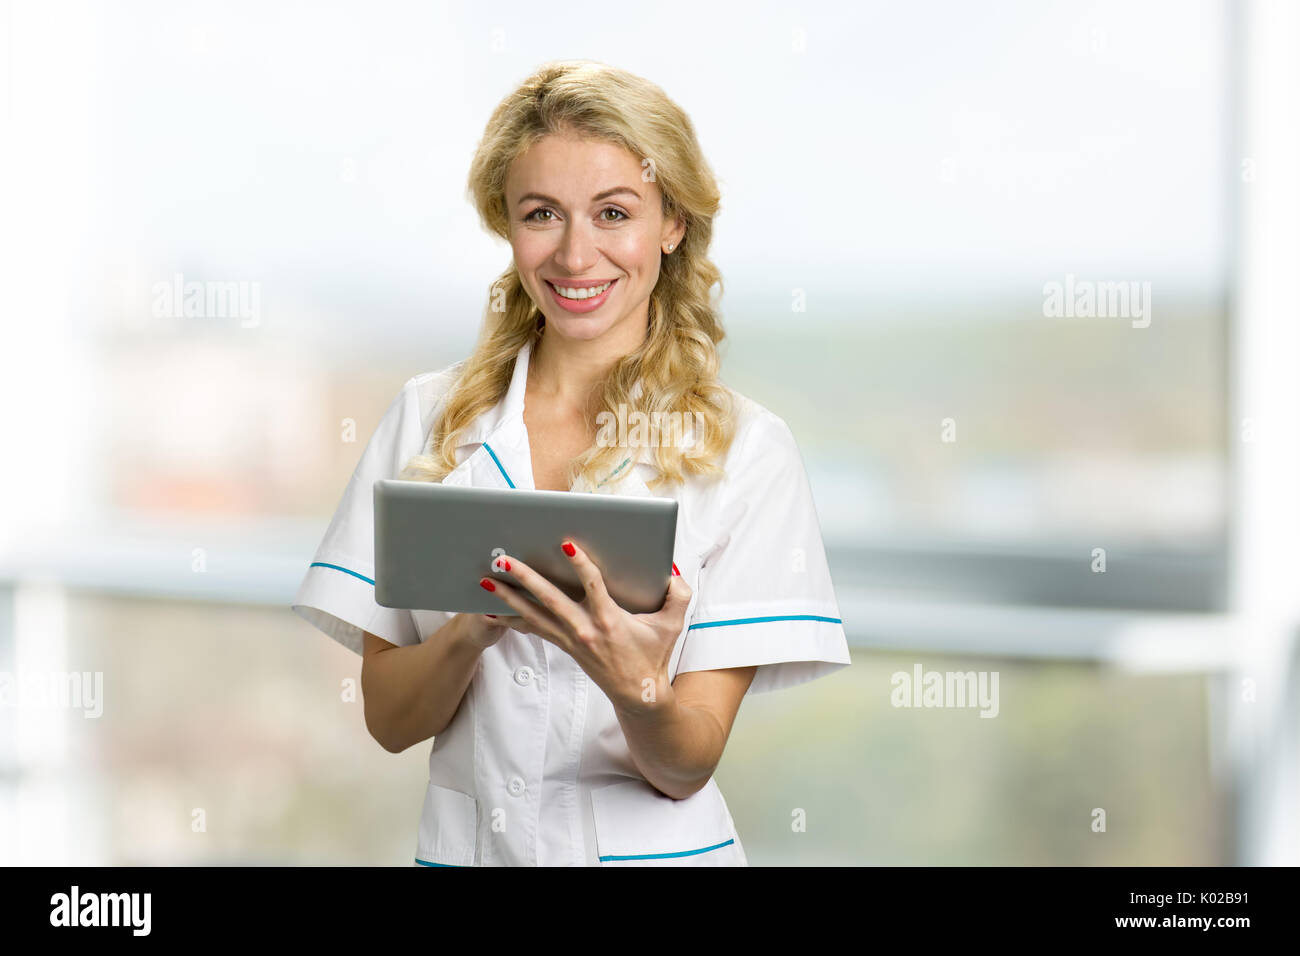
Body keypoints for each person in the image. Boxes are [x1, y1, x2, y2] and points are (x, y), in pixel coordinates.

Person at [291, 60, 851, 866]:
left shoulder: (745, 451)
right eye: (542, 214)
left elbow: (685, 763)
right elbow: (388, 720)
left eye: (614, 213)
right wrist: (471, 630)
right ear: (508, 225)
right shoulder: (427, 419)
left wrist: (634, 682)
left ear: (673, 224)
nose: (575, 255)